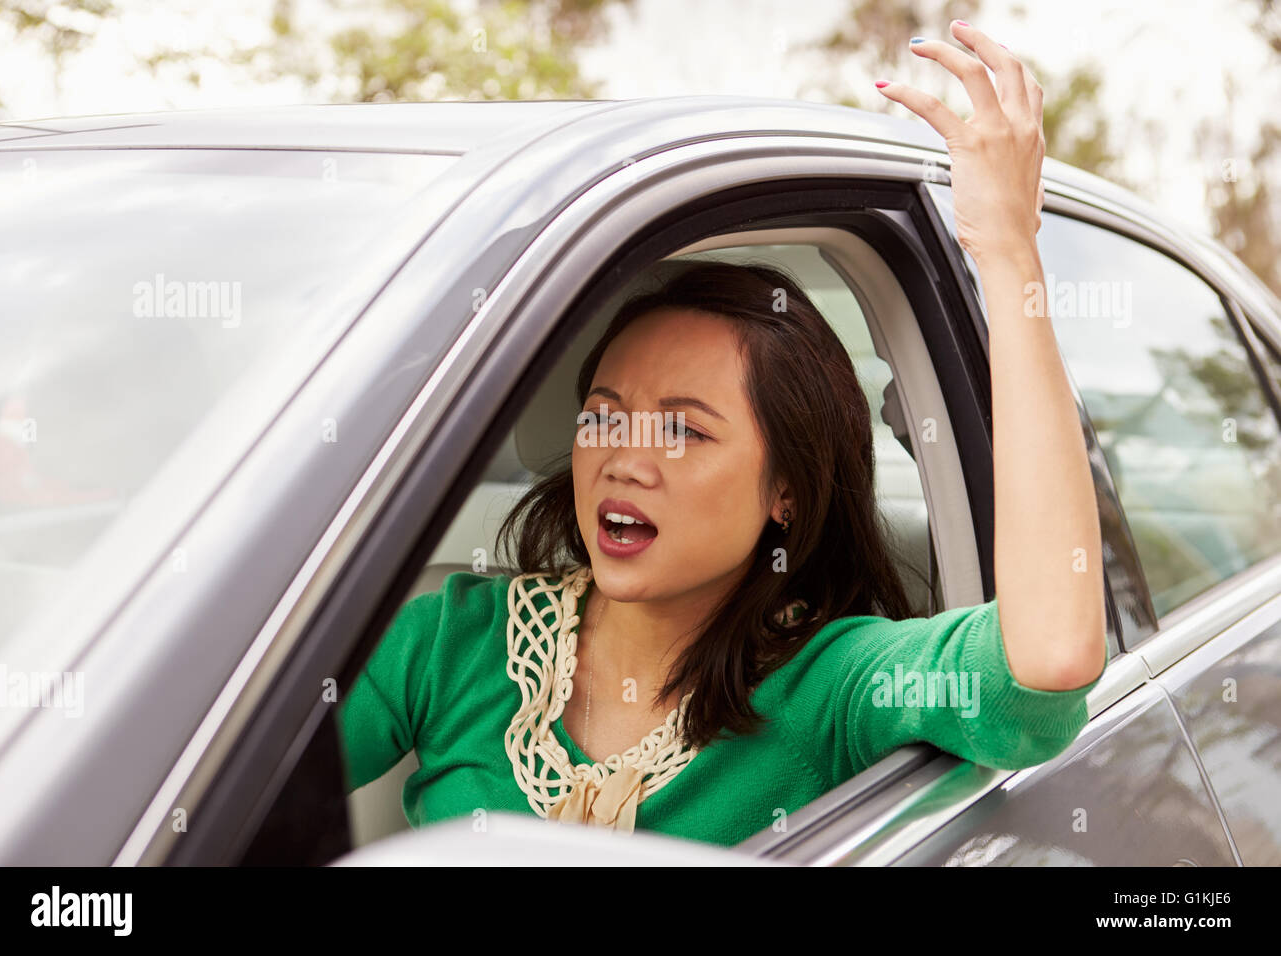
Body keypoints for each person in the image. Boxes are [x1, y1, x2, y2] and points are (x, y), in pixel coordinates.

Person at [334, 19, 1109, 848]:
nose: (624, 459)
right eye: (603, 414)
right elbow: (199, 783)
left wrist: (1007, 251)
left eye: (683, 430)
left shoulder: (831, 685)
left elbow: (1050, 660)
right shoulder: (450, 639)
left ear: (787, 491)